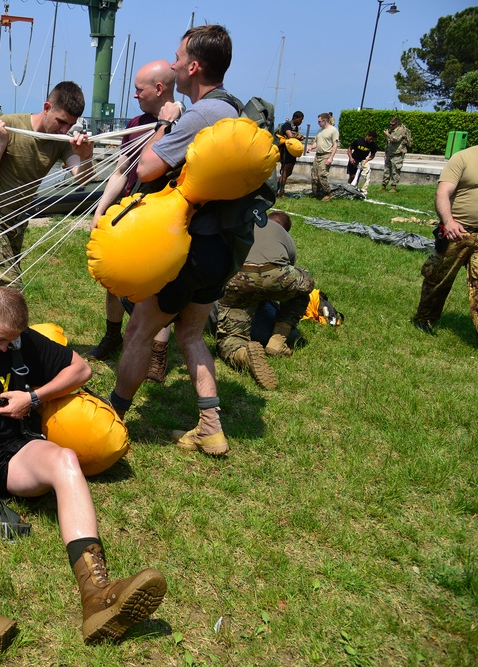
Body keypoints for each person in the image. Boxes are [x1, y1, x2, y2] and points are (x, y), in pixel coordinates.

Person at [0, 287, 166, 666]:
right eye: (0, 340)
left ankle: (97, 594)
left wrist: (34, 398)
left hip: (15, 456)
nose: (7, 348)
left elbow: (82, 369)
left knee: (66, 460)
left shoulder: (20, 342)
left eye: (13, 340)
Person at [108, 24, 243, 457]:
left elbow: (147, 168)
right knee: (190, 333)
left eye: (179, 58)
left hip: (192, 248)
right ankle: (211, 426)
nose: (175, 64)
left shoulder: (198, 115)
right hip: (223, 247)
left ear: (195, 65)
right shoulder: (234, 111)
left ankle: (112, 419)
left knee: (140, 330)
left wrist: (167, 125)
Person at [86, 61, 180, 379]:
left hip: (160, 215)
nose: (134, 93)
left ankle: (157, 353)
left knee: (155, 286)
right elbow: (120, 171)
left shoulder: (183, 125)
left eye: (140, 89)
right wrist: (100, 211)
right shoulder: (137, 122)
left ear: (159, 89)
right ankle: (113, 335)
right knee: (112, 276)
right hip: (127, 210)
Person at [0, 81, 94, 300]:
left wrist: (86, 156)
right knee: (10, 289)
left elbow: (82, 178)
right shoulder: (9, 124)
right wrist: (2, 141)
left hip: (15, 222)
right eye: (61, 121)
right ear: (46, 108)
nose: (64, 130)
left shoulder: (61, 141)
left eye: (69, 125)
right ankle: (11, 334)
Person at [215, 211, 315, 390]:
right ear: (286, 230)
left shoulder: (244, 223)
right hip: (277, 275)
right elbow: (288, 267)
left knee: (229, 337)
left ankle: (244, 355)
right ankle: (278, 340)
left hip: (239, 278)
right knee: (302, 285)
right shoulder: (284, 236)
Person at [412, 145, 478, 338]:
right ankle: (424, 318)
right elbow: (442, 193)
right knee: (437, 279)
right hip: (457, 233)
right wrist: (449, 222)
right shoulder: (463, 158)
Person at [306, 112, 338, 201]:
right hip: (318, 155)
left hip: (326, 155)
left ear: (324, 121)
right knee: (314, 176)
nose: (318, 123)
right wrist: (311, 148)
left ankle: (328, 193)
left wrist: (331, 157)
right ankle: (316, 194)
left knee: (322, 175)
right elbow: (316, 142)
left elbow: (335, 144)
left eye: (319, 121)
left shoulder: (333, 130)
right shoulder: (320, 131)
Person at [275, 111, 305, 197]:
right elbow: (290, 136)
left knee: (289, 172)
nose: (301, 122)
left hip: (292, 152)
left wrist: (300, 137)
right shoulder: (287, 125)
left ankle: (277, 188)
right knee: (285, 171)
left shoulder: (295, 127)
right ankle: (281, 192)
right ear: (295, 118)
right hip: (286, 152)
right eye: (300, 120)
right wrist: (297, 137)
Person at [381, 116, 410, 192]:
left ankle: (393, 187)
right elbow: (388, 143)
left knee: (395, 171)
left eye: (393, 124)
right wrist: (386, 152)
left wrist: (387, 134)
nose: (391, 126)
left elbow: (395, 139)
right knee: (386, 170)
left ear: (397, 124)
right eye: (390, 124)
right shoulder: (391, 130)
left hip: (397, 153)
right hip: (389, 153)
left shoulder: (401, 130)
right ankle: (383, 186)